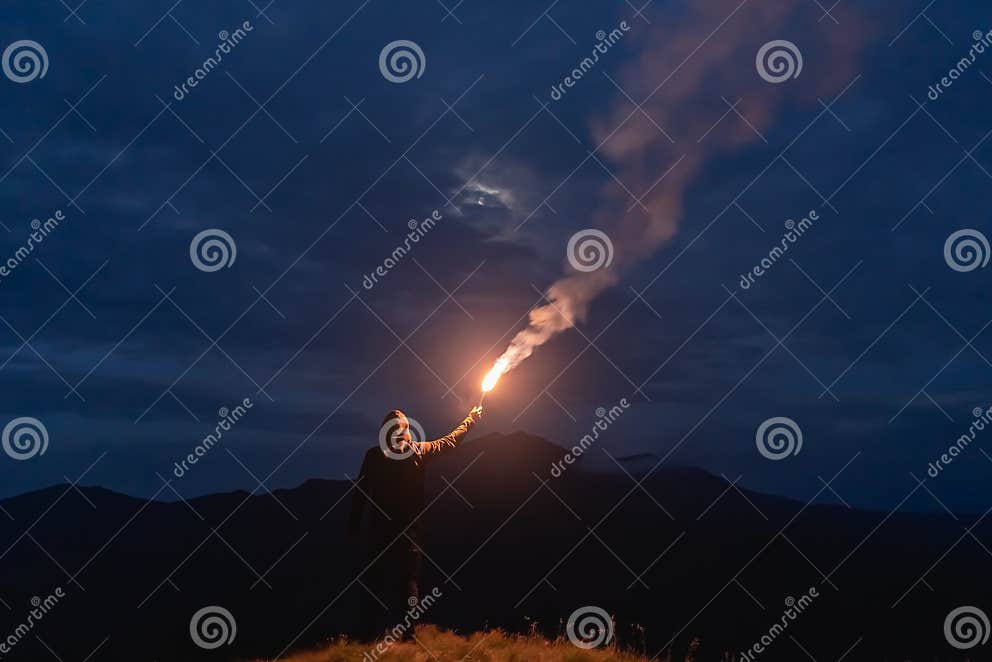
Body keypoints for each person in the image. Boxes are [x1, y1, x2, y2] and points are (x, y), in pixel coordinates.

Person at [348, 406, 482, 639]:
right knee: (408, 587)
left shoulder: (373, 456)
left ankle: (365, 638)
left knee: (373, 587)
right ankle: (407, 637)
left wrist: (353, 526)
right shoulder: (418, 451)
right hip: (408, 539)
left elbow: (360, 493)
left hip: (378, 536)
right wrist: (471, 419)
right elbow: (451, 441)